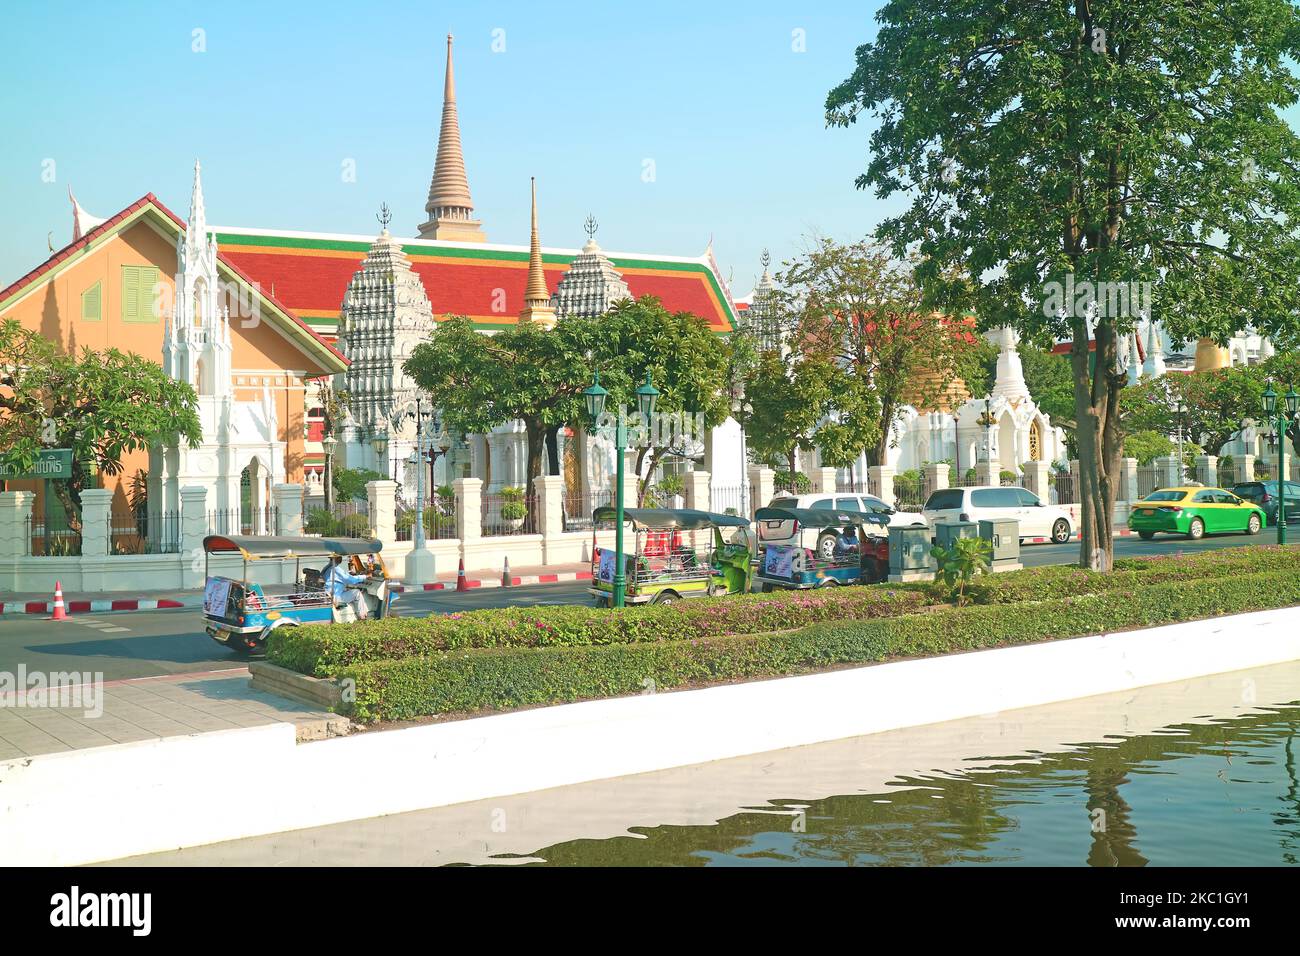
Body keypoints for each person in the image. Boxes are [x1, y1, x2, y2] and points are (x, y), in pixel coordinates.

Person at [324, 554, 369, 620]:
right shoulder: (336, 569)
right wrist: (365, 576)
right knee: (357, 592)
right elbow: (351, 580)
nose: (341, 559)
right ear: (338, 559)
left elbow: (339, 580)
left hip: (329, 595)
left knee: (348, 591)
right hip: (336, 598)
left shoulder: (327, 568)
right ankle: (362, 616)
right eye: (340, 557)